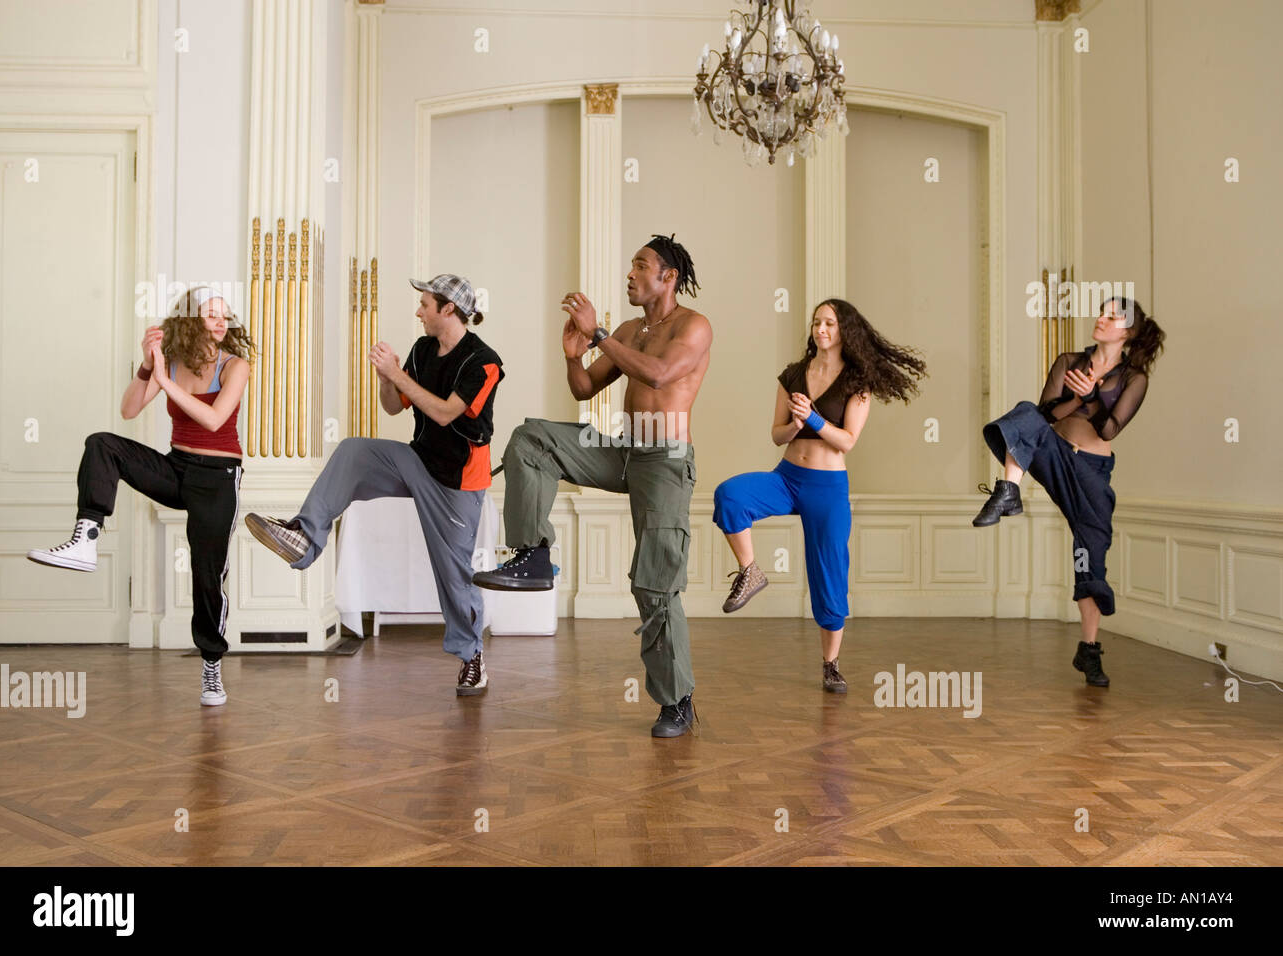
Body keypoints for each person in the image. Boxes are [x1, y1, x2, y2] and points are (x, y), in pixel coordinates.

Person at [472, 234, 711, 738]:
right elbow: (584, 389)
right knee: (533, 439)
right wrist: (571, 356)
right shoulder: (630, 328)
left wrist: (599, 333)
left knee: (654, 585)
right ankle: (533, 554)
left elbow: (663, 374)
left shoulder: (693, 326)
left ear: (667, 277)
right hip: (625, 451)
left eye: (640, 266)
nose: (630, 274)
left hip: (665, 461)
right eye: (630, 266)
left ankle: (677, 700)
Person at [244, 274, 504, 696]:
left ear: (449, 310)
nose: (418, 311)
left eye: (425, 304)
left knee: (455, 576)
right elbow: (392, 407)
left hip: (458, 481)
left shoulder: (483, 361)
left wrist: (396, 375)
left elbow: (443, 413)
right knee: (353, 450)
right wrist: (388, 380)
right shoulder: (423, 350)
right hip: (418, 461)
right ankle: (304, 536)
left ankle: (471, 655)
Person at [28, 287, 252, 707]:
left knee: (208, 576)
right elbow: (129, 411)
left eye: (225, 316)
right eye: (211, 315)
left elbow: (214, 418)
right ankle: (86, 539)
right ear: (190, 321)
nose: (222, 323)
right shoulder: (174, 363)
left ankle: (211, 666)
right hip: (176, 467)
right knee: (103, 443)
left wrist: (166, 381)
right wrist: (149, 368)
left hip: (218, 478)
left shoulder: (236, 365)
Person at [712, 299, 926, 693]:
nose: (821, 329)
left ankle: (830, 664)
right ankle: (751, 571)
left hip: (827, 487)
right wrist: (795, 426)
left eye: (829, 323)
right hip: (787, 476)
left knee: (829, 574)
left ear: (845, 330)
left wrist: (813, 418)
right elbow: (776, 434)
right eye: (816, 322)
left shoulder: (856, 383)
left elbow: (847, 441)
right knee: (730, 495)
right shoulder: (793, 375)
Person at [973, 296, 1166, 687]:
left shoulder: (1134, 378)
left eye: (1112, 316)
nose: (1101, 318)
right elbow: (1041, 419)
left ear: (1126, 332)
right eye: (1101, 311)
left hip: (1093, 471)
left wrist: (1092, 397)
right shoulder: (1068, 362)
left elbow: (1110, 430)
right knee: (1025, 412)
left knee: (1090, 554)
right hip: (1055, 454)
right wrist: (1076, 398)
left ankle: (1088, 650)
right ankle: (1009, 489)